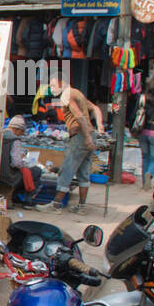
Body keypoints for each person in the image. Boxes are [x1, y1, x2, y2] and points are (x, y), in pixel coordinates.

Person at [35, 72, 100, 214]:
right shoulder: (78, 93)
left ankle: (56, 205)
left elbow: (79, 116)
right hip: (89, 134)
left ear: (61, 82)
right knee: (83, 172)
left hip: (80, 136)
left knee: (67, 170)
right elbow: (95, 108)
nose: (51, 89)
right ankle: (82, 207)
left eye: (53, 85)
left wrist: (87, 137)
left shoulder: (66, 95)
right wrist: (98, 130)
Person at [0, 115, 41, 203]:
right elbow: (16, 163)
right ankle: (28, 201)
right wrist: (25, 164)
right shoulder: (15, 140)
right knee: (36, 171)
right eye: (21, 132)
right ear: (18, 130)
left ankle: (15, 196)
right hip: (8, 176)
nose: (21, 134)